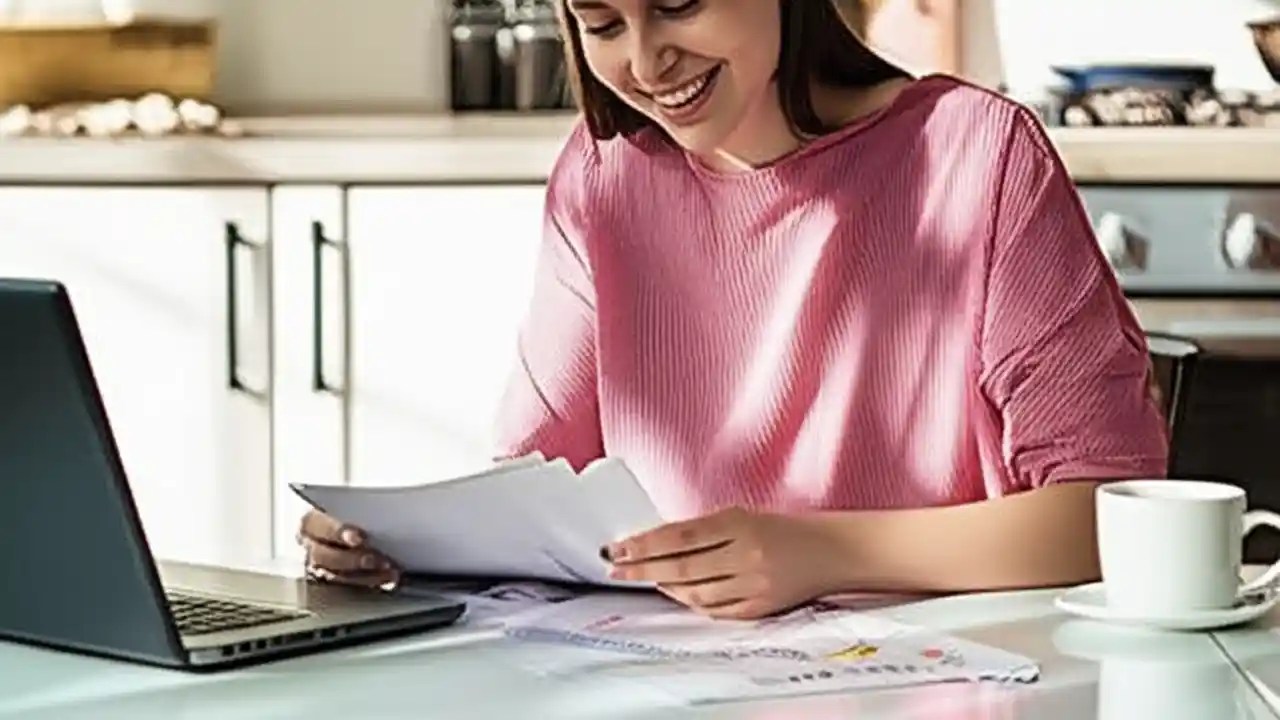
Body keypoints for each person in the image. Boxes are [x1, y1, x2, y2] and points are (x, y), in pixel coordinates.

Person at [298, 0, 1168, 620]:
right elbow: (533, 496)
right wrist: (401, 546)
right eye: (603, 24)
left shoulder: (978, 155)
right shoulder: (603, 177)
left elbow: (1111, 519)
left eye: (678, 6)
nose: (646, 63)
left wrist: (823, 553)